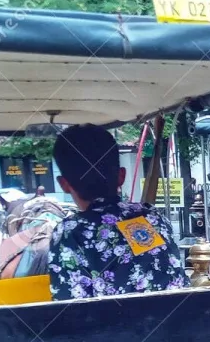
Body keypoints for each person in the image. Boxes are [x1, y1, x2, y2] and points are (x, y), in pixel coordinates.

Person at [46, 124, 186, 300]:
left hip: (118, 327)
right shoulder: (152, 217)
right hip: (180, 323)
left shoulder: (69, 232)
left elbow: (70, 309)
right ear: (121, 176)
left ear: (64, 184)